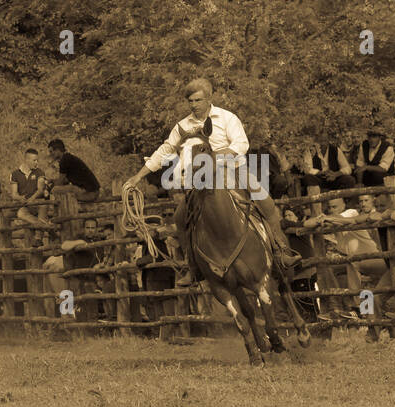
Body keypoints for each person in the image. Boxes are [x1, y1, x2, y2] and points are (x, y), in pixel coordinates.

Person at [121, 77, 300, 271]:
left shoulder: (226, 118)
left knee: (265, 201)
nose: (194, 105)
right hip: (200, 179)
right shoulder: (183, 126)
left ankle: (281, 250)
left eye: (198, 100)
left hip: (233, 170)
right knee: (181, 218)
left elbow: (241, 144)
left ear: (209, 98)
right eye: (190, 101)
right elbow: (165, 150)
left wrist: (216, 156)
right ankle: (191, 265)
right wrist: (138, 177)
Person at [46, 139, 100, 205]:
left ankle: (60, 211)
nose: (51, 154)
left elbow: (59, 183)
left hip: (89, 193)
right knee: (64, 188)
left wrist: (49, 188)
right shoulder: (68, 158)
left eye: (51, 151)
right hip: (94, 192)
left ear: (57, 150)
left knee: (55, 190)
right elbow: (65, 180)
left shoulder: (65, 160)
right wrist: (52, 181)